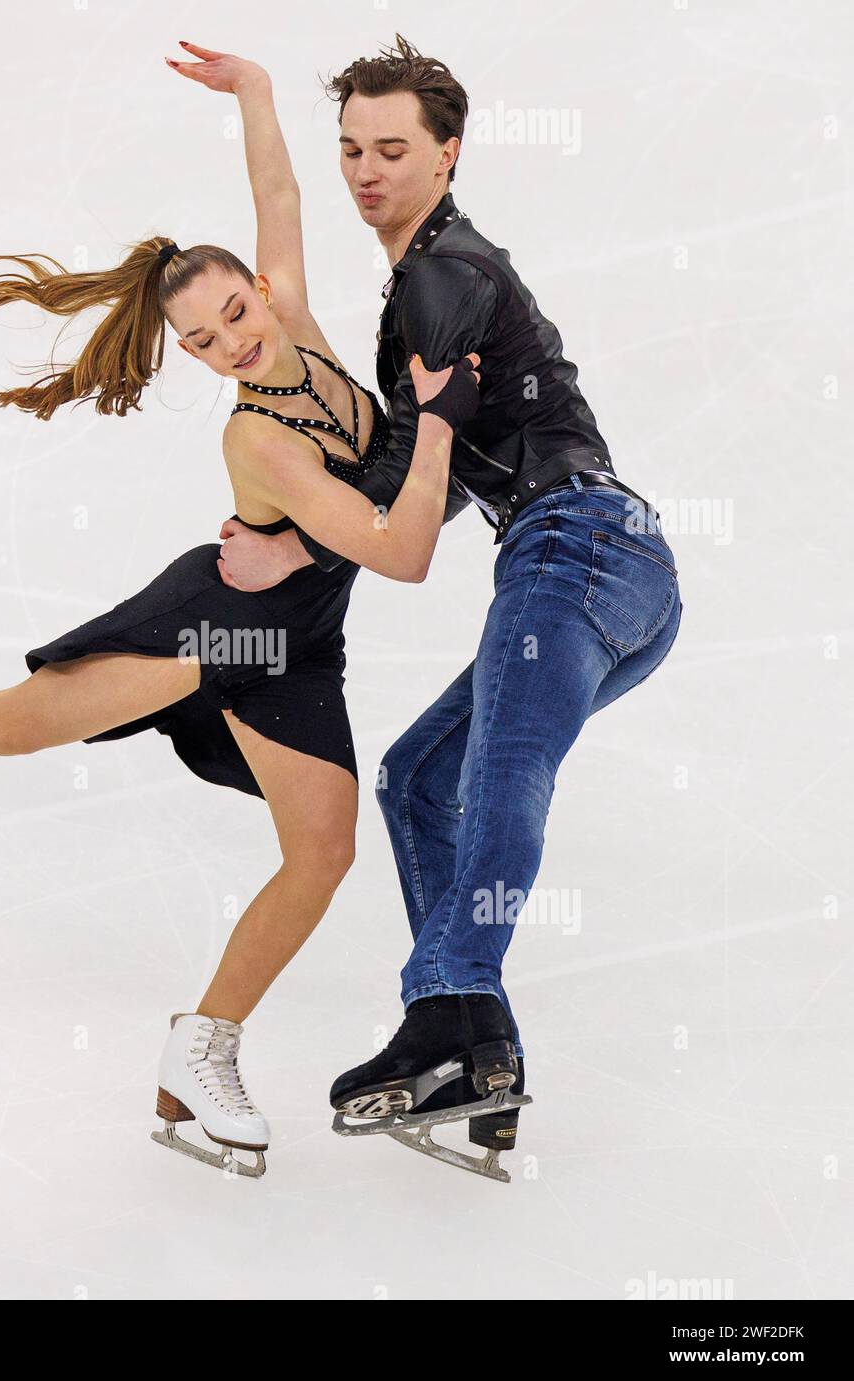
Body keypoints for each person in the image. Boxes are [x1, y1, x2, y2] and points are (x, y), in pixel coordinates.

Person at [0, 49, 483, 1182]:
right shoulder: (253, 433)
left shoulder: (293, 317)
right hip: (216, 626)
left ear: (258, 289)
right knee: (18, 723)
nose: (233, 343)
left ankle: (200, 1047)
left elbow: (281, 198)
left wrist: (257, 94)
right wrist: (441, 423)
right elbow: (402, 553)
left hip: (299, 640)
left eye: (234, 312)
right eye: (204, 343)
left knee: (323, 847)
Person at [180, 37, 684, 1182]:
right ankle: (483, 1049)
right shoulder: (427, 280)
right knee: (420, 776)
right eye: (353, 147)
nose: (368, 169)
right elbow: (428, 479)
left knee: (505, 769)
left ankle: (449, 1008)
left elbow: (411, 484)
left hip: (576, 552)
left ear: (448, 155)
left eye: (394, 149)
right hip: (615, 573)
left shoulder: (440, 281)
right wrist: (258, 95)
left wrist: (286, 545)